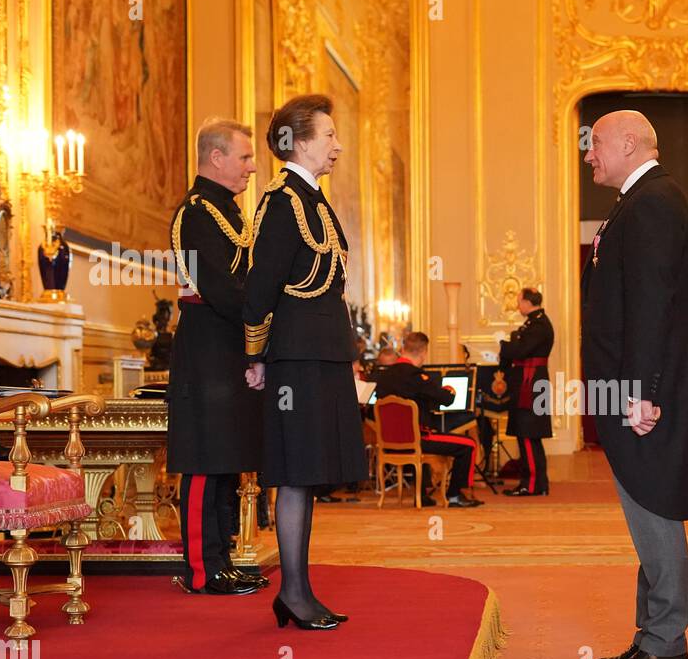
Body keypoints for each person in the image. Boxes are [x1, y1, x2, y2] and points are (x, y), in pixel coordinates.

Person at [581, 110, 688, 659]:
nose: (589, 155)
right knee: (644, 507)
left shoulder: (653, 201)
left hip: (638, 392)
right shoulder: (636, 201)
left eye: (597, 144)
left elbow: (653, 306)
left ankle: (665, 642)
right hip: (626, 388)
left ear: (629, 143)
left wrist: (642, 394)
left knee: (653, 507)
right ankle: (650, 637)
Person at [243, 94, 367, 631]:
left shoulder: (314, 200)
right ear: (298, 141)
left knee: (311, 474)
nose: (338, 145)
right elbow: (259, 289)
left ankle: (298, 590)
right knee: (294, 475)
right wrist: (256, 356)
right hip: (295, 358)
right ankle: (293, 592)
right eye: (329, 135)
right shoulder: (279, 200)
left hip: (324, 354)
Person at [167, 117, 267, 596]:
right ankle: (202, 571)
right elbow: (223, 290)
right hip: (207, 342)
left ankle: (222, 558)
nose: (252, 167)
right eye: (245, 157)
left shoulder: (228, 211)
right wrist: (264, 321)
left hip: (229, 343)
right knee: (206, 458)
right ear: (217, 158)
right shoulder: (195, 212)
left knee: (226, 454)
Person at [372, 332, 483, 508]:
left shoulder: (385, 377)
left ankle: (422, 496)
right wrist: (449, 390)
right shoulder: (418, 377)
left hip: (389, 442)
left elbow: (374, 408)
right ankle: (455, 495)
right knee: (468, 445)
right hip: (419, 440)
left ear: (403, 349)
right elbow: (446, 399)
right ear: (424, 352)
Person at [500, 288, 554, 496]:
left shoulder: (538, 325)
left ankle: (531, 485)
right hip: (528, 383)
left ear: (527, 302)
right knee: (528, 435)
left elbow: (520, 350)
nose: (517, 305)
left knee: (529, 434)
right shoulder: (534, 323)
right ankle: (536, 483)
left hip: (531, 385)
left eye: (519, 301)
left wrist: (504, 344)